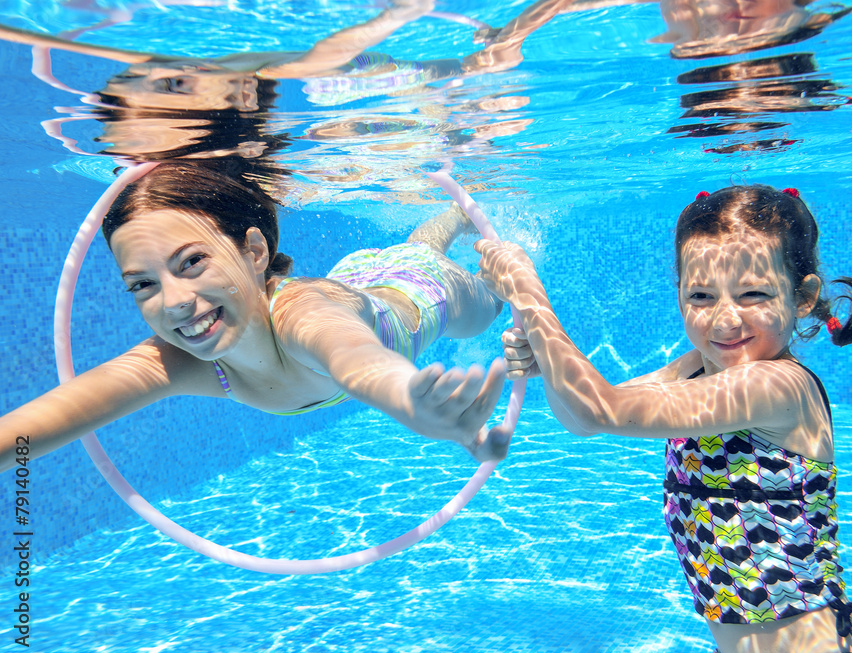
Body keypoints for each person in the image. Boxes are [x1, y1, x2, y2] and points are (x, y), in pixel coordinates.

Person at [474, 184, 852, 653]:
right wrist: (548, 365)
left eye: (753, 293)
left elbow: (601, 407)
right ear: (678, 294)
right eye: (701, 295)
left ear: (803, 297)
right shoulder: (694, 367)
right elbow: (584, 417)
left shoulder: (780, 386)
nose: (724, 321)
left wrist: (529, 294)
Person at [0, 160, 510, 473]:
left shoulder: (301, 313)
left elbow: (354, 355)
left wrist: (404, 398)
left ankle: (465, 219)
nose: (174, 300)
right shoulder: (178, 359)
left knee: (487, 304)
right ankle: (450, 218)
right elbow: (32, 427)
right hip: (357, 275)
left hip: (425, 291)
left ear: (254, 250)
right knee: (412, 246)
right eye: (142, 284)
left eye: (192, 262)